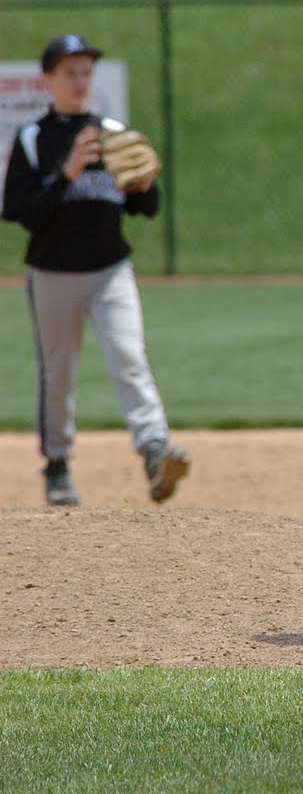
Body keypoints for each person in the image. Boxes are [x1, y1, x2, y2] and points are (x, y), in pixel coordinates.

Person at [2, 33, 191, 507]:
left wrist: (146, 182)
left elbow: (145, 207)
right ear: (48, 79)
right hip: (52, 273)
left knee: (129, 356)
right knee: (59, 372)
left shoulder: (112, 131)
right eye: (69, 72)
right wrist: (67, 173)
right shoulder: (32, 140)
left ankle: (154, 451)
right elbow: (20, 211)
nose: (80, 80)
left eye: (86, 71)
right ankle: (58, 465)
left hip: (110, 269)